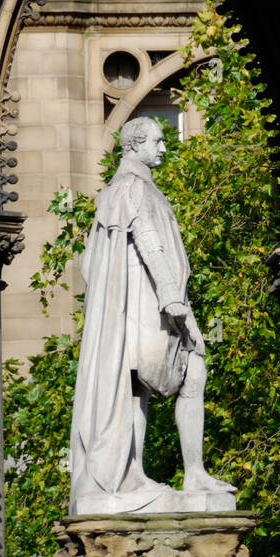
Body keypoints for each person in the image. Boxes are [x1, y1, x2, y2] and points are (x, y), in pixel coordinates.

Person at [69, 117, 234, 515]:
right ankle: (138, 474)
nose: (164, 148)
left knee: (170, 376)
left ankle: (179, 472)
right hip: (149, 305)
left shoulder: (139, 188)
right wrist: (169, 297)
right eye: (158, 142)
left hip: (156, 302)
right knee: (155, 378)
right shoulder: (129, 188)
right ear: (135, 144)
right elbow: (147, 240)